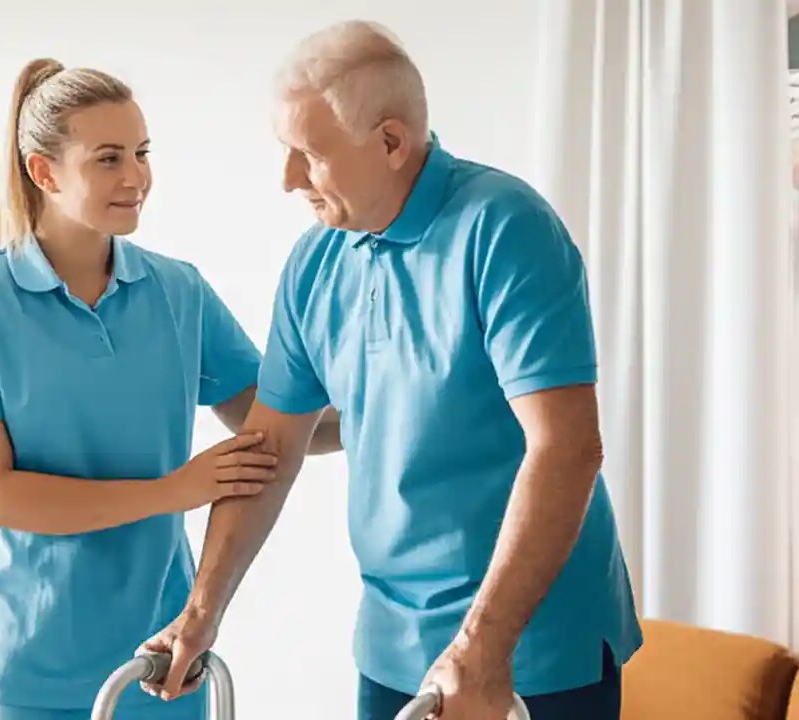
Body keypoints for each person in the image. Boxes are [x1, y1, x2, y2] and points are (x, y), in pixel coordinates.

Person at [140, 20, 644, 720]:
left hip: (531, 644)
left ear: (390, 143)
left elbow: (567, 447)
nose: (288, 180)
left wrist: (483, 647)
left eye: (308, 155)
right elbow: (270, 450)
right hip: (393, 642)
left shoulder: (504, 228)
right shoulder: (317, 263)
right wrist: (200, 613)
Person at [0, 58, 341, 720]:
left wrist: (401, 408)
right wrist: (175, 491)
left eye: (142, 153)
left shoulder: (179, 292)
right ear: (44, 171)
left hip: (160, 662)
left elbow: (277, 426)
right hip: (30, 668)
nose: (136, 177)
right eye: (109, 159)